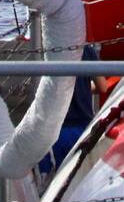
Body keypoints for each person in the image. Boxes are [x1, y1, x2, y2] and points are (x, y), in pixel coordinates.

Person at [38, 42, 109, 175]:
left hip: (50, 130)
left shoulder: (42, 49)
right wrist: (84, 89)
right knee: (78, 177)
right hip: (81, 126)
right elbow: (102, 86)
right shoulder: (86, 50)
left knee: (50, 181)